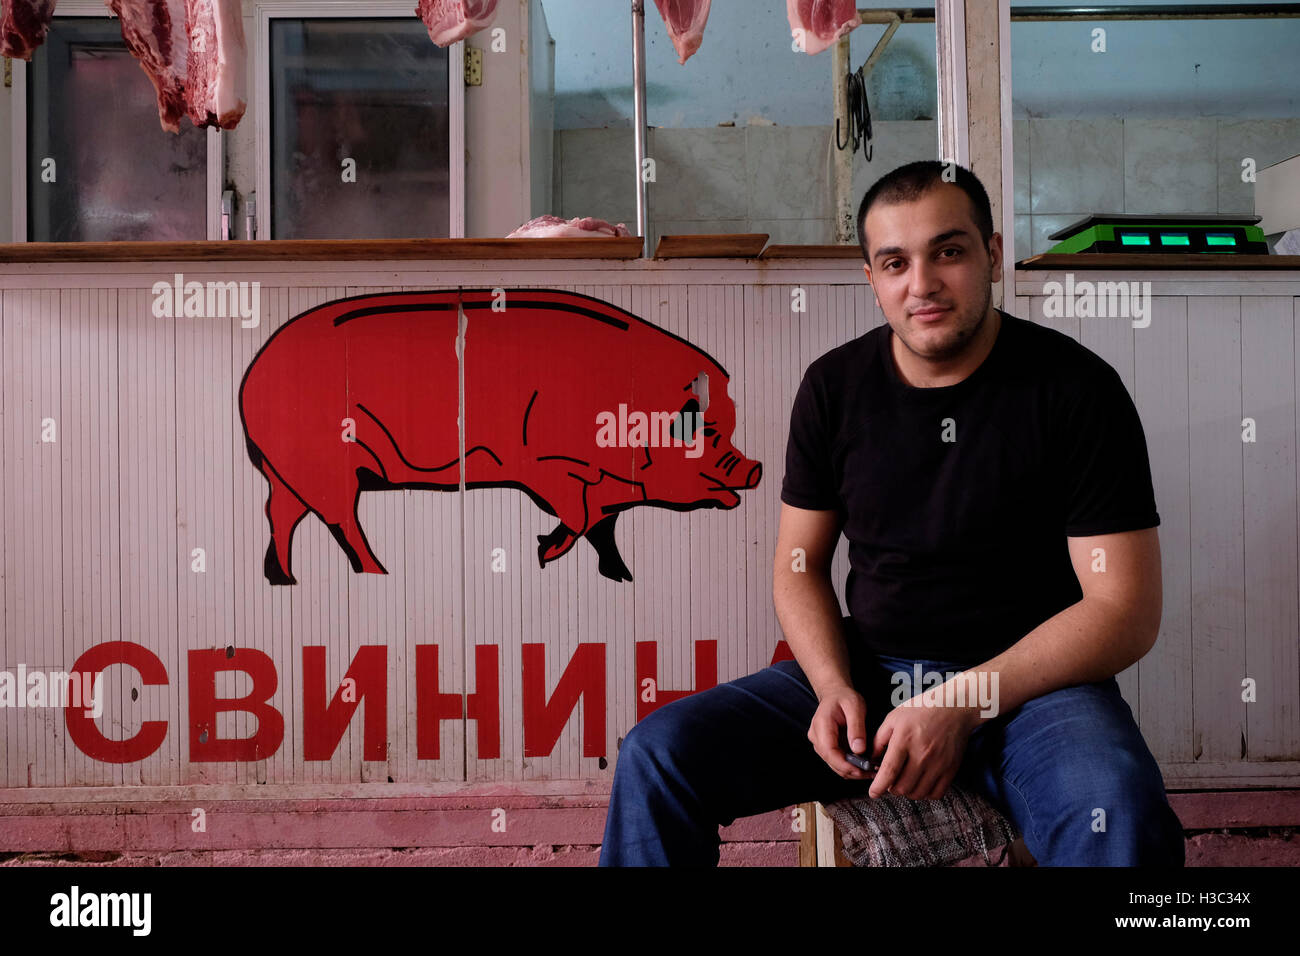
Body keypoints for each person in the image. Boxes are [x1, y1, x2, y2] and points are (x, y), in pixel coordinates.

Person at [598, 160, 1186, 867]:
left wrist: (965, 699)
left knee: (1115, 808)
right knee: (657, 757)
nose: (923, 283)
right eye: (895, 262)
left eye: (949, 251)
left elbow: (1124, 608)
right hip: (872, 672)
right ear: (870, 278)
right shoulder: (833, 388)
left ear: (992, 254)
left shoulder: (1077, 389)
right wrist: (831, 684)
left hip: (1033, 691)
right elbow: (799, 567)